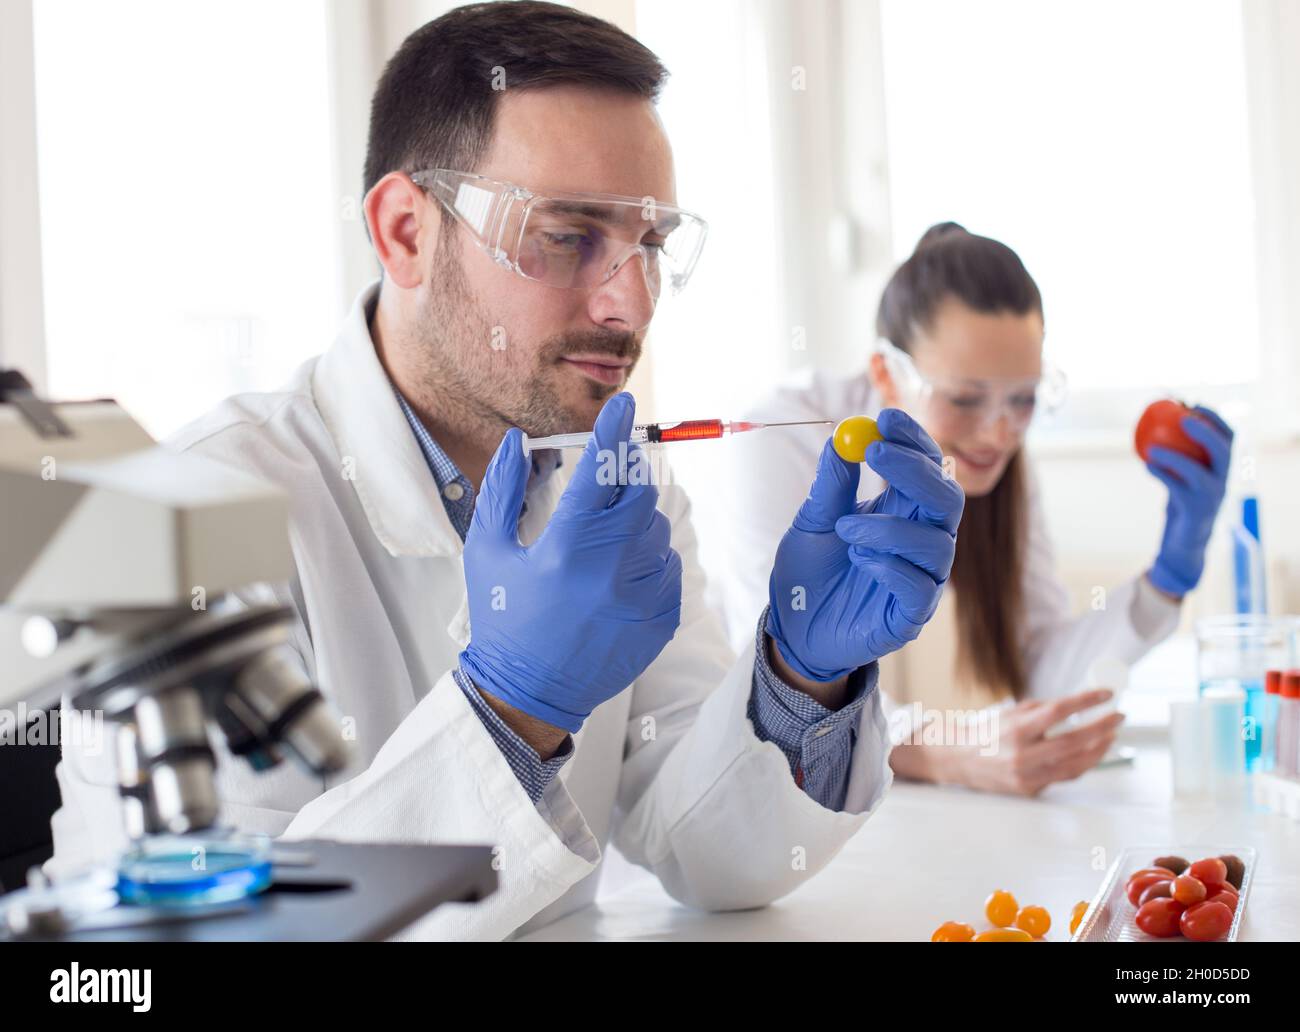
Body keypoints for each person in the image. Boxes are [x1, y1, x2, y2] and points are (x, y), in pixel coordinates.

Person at [48, 3, 962, 939]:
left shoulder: (615, 495)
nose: (631, 303)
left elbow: (706, 854)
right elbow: (203, 934)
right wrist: (512, 712)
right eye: (568, 236)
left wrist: (802, 672)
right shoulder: (196, 522)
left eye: (650, 244)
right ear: (405, 231)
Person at [719, 223, 1233, 797]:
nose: (998, 432)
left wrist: (1167, 578)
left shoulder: (996, 460)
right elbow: (762, 678)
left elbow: (1040, 669)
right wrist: (948, 751)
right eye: (964, 398)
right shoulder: (780, 437)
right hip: (741, 783)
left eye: (1024, 399)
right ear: (887, 373)